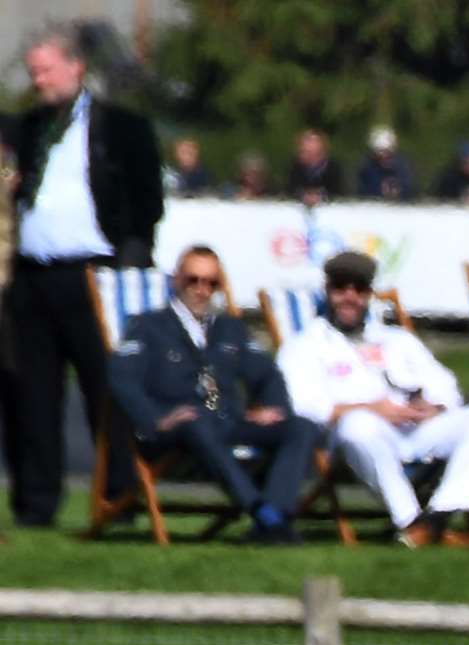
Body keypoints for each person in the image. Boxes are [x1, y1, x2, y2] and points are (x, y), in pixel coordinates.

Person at [7, 28, 163, 532]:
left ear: (76, 67)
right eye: (33, 72)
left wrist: (129, 263)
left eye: (46, 70)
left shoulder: (121, 127)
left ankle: (117, 498)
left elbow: (146, 203)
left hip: (94, 274)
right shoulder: (28, 128)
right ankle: (36, 504)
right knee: (30, 393)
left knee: (107, 388)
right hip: (33, 276)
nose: (38, 80)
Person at [277, 250, 469, 546]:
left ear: (369, 294)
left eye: (359, 288)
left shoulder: (397, 339)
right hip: (361, 438)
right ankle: (411, 521)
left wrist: (433, 407)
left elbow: (445, 385)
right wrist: (373, 409)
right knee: (358, 425)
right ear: (327, 290)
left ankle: (440, 515)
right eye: (340, 287)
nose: (349, 296)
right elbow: (303, 405)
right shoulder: (305, 346)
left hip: (417, 430)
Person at [107, 245, 316, 542]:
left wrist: (272, 408)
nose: (202, 290)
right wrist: (156, 419)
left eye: (211, 283)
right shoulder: (147, 326)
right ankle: (262, 514)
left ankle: (278, 515)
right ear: (176, 280)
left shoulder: (230, 329)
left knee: (301, 427)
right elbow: (122, 379)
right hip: (174, 430)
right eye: (193, 280)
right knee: (196, 421)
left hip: (226, 423)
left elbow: (267, 374)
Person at [355, 127, 413, 203]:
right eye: (380, 151)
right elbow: (364, 192)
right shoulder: (367, 169)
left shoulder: (402, 167)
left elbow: (408, 190)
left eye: (387, 151)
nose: (384, 155)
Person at [288, 129, 339, 205]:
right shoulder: (295, 167)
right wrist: (302, 196)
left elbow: (339, 192)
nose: (305, 155)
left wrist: (321, 197)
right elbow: (289, 190)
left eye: (311, 152)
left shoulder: (333, 168)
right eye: (303, 151)